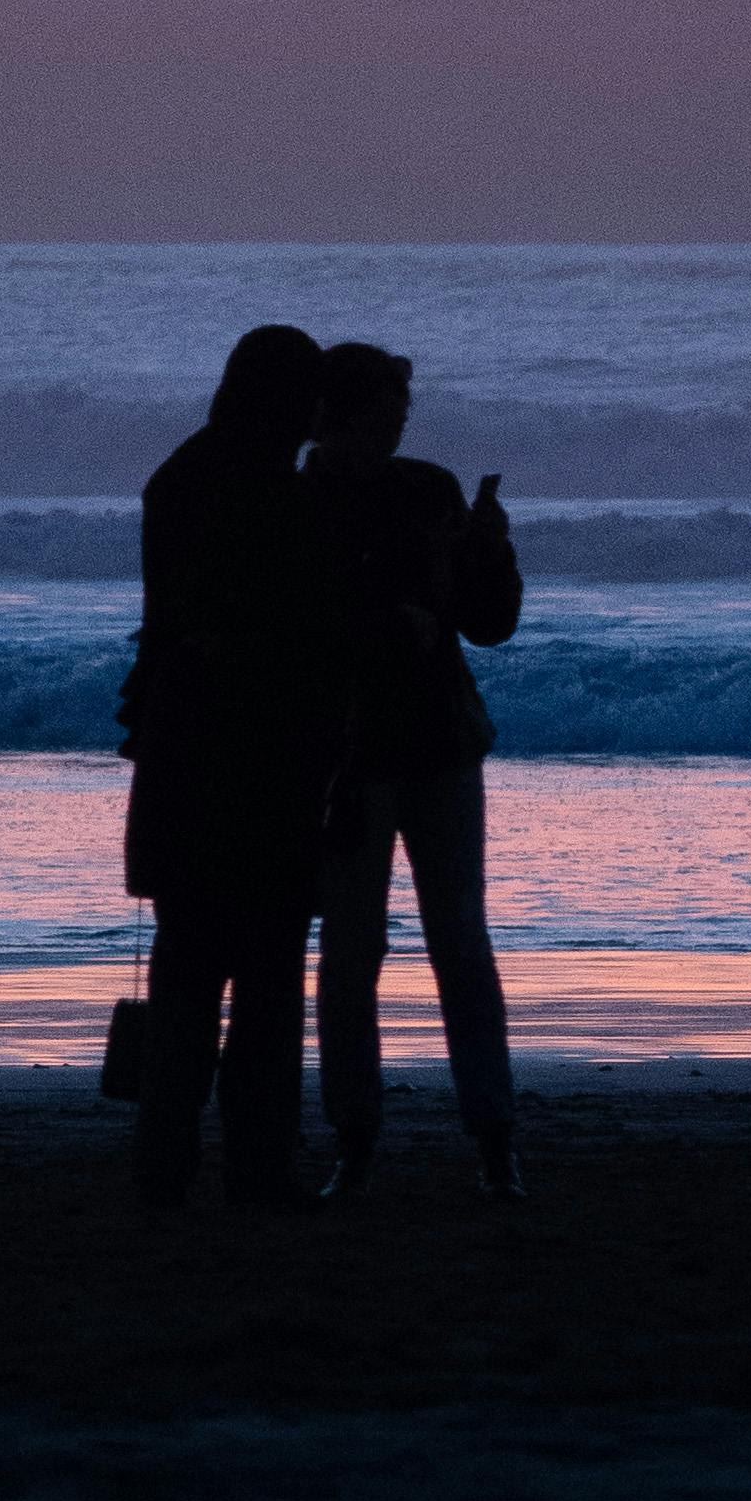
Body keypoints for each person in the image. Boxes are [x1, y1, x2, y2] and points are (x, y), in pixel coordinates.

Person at [121, 323, 353, 1212]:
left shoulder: (179, 479)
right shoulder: (279, 496)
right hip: (262, 758)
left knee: (188, 966)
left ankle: (165, 1161)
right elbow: (300, 635)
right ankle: (256, 1164)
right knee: (265, 973)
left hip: (186, 751)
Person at [306, 337, 523, 1196]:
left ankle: (490, 1136)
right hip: (354, 754)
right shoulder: (306, 503)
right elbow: (298, 622)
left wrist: (491, 549)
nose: (398, 425)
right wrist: (386, 622)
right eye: (385, 413)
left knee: (453, 940)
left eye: (401, 412)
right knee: (358, 950)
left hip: (429, 743)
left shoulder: (427, 489)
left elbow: (488, 621)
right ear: (342, 416)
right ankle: (361, 1137)